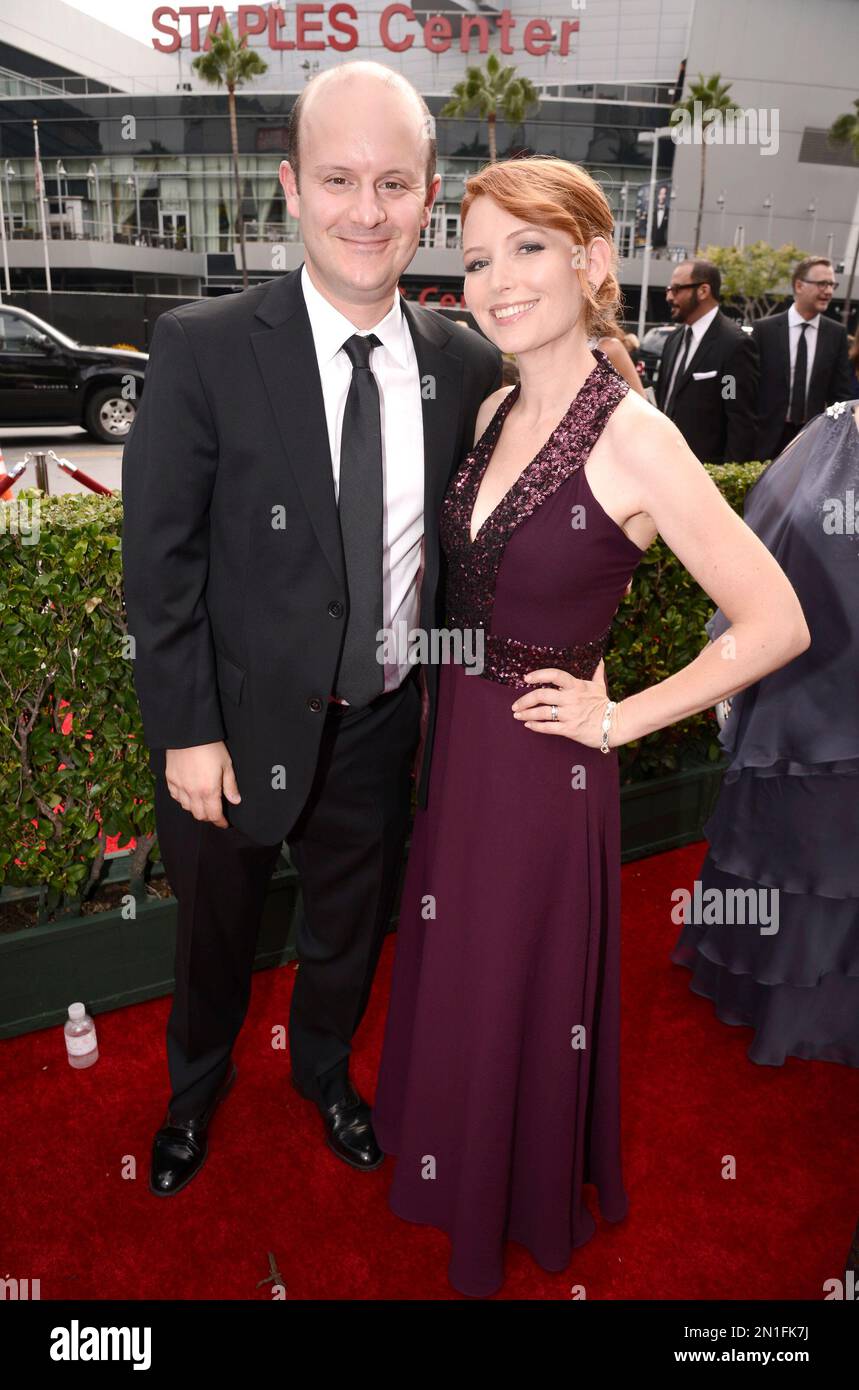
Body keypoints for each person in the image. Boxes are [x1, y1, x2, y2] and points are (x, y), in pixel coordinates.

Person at [371, 154, 810, 1298]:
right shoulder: (490, 404)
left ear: (592, 261)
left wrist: (616, 719)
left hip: (544, 773)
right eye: (474, 258)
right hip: (458, 752)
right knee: (461, 977)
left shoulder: (639, 437)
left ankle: (506, 1203)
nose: (496, 280)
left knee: (514, 985)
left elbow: (776, 620)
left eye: (525, 248)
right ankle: (451, 1161)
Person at [121, 60, 502, 1197]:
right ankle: (194, 1092)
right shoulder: (200, 346)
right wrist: (187, 731)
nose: (365, 209)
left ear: (428, 197)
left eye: (393, 182)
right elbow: (161, 561)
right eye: (338, 178)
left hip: (381, 726)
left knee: (347, 935)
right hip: (228, 735)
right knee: (213, 942)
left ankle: (325, 1074)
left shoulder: (466, 366)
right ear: (290, 187)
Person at [672, 395, 859, 1066]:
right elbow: (760, 556)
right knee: (802, 837)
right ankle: (781, 1004)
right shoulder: (830, 435)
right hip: (808, 681)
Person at [655, 259, 759, 464]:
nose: (668, 296)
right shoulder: (673, 340)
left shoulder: (734, 344)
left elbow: (740, 420)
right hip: (664, 463)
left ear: (703, 291)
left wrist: (725, 479)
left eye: (676, 289)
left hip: (706, 471)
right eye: (669, 289)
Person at [751, 257, 853, 461]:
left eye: (832, 284)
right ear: (799, 285)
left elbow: (842, 394)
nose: (829, 291)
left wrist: (834, 438)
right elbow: (741, 385)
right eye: (822, 284)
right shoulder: (764, 330)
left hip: (812, 442)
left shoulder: (836, 334)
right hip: (764, 440)